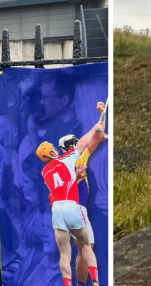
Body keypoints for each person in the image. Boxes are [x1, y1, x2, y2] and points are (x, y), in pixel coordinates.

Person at [37, 119, 107, 286]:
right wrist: (99, 121)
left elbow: (61, 185)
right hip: (75, 208)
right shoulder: (69, 159)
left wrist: (75, 178)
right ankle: (94, 282)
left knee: (66, 253)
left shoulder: (45, 171)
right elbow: (87, 142)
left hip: (57, 210)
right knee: (86, 246)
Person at [57, 102, 109, 286]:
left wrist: (98, 136)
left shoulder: (59, 163)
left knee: (79, 251)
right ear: (71, 146)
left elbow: (94, 138)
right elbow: (95, 135)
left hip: (62, 211)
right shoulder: (78, 158)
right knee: (87, 248)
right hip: (77, 209)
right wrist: (102, 114)